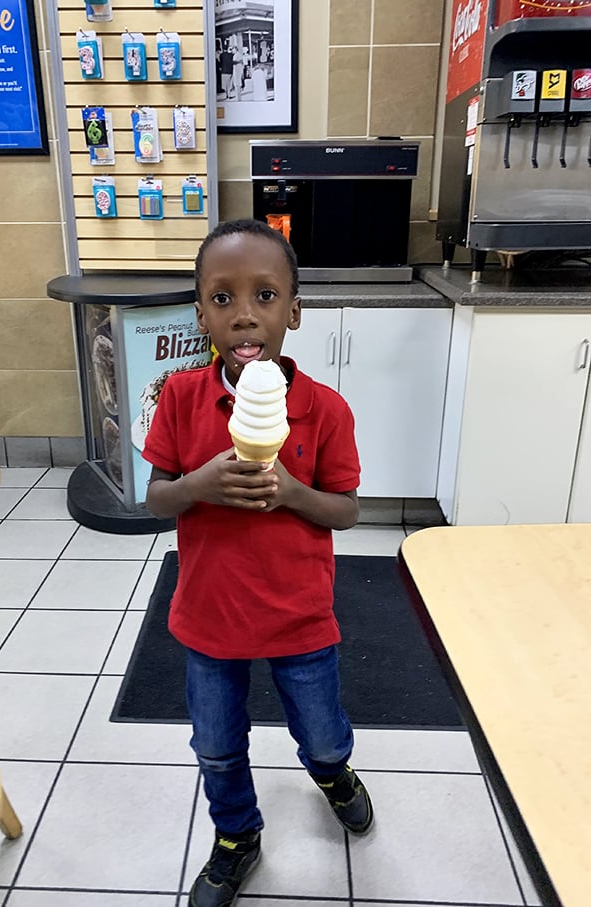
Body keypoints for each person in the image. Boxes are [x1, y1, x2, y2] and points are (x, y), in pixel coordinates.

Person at [143, 219, 374, 907]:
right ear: (200, 312)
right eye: (222, 298)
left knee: (323, 730)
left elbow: (347, 510)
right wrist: (196, 486)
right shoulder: (181, 400)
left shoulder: (324, 411)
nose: (244, 313)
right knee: (215, 744)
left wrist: (296, 493)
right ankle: (237, 834)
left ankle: (334, 774)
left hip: (300, 615)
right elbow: (155, 499)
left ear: (294, 311)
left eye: (266, 295)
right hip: (210, 617)